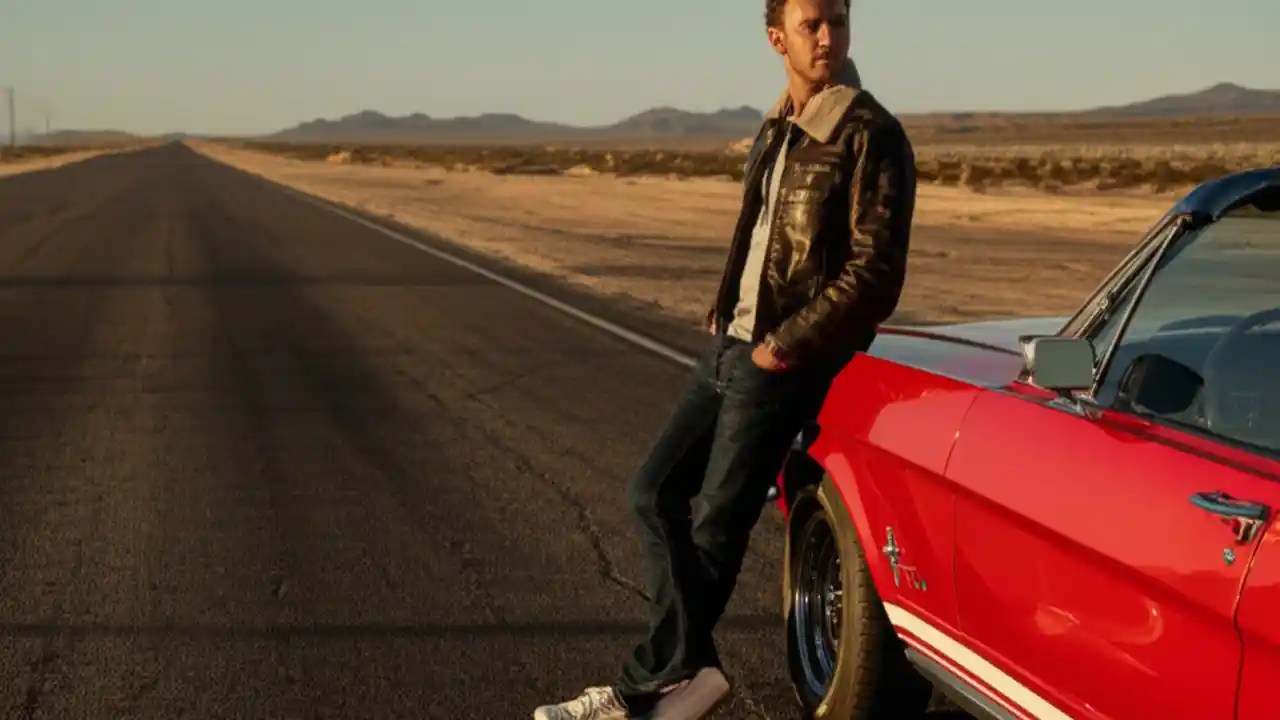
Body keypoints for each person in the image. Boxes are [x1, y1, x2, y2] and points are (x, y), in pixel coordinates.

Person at [534, 0, 916, 717]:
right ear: (778, 38)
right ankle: (694, 670)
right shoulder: (778, 127)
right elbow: (759, 233)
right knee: (651, 492)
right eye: (812, 24)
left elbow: (873, 276)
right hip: (730, 344)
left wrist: (784, 345)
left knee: (715, 527)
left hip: (779, 360)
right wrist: (724, 306)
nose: (828, 36)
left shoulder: (871, 135)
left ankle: (636, 691)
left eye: (837, 20)